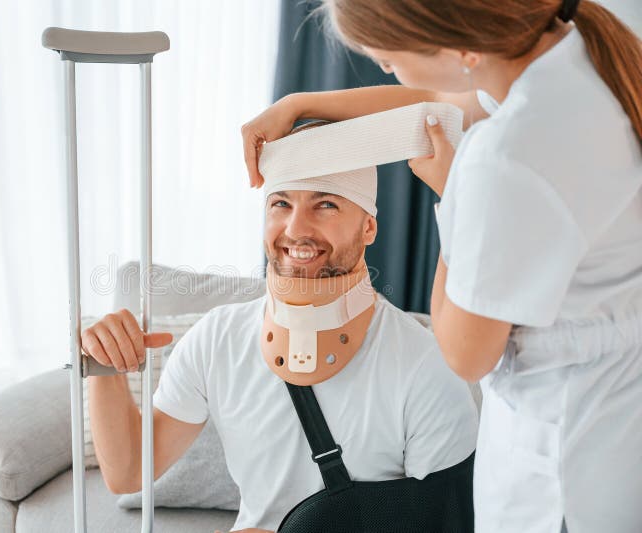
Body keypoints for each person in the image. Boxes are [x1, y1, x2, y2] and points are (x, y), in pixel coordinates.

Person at [240, 1, 642, 532]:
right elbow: (433, 101)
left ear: (458, 46)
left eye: (390, 58)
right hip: (616, 421)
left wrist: (455, 199)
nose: (385, 69)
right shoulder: (576, 61)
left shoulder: (505, 156)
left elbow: (465, 354)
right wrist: (300, 104)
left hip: (567, 469)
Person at [82, 125, 478, 532]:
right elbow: (129, 472)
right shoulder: (217, 338)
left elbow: (446, 524)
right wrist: (105, 363)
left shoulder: (425, 364)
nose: (295, 229)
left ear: (368, 227)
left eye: (326, 204)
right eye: (281, 203)